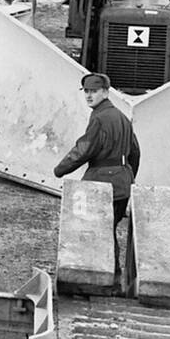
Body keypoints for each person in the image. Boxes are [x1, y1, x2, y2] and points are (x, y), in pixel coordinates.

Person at [53, 73, 141, 230]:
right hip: (123, 185)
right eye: (86, 91)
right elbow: (135, 152)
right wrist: (128, 177)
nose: (88, 95)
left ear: (106, 92)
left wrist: (60, 170)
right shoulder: (122, 117)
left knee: (96, 234)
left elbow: (84, 149)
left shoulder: (99, 118)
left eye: (94, 91)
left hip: (102, 184)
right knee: (109, 231)